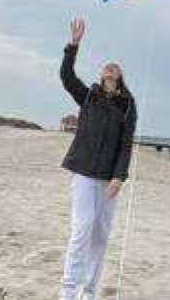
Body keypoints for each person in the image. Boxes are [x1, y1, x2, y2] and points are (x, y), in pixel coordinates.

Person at [58, 18, 137, 300]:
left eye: (115, 66)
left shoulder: (127, 105)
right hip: (84, 173)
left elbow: (126, 143)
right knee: (82, 229)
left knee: (100, 238)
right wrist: (73, 45)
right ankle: (68, 293)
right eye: (107, 65)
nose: (110, 66)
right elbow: (67, 77)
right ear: (102, 74)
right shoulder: (89, 95)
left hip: (109, 179)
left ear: (120, 76)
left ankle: (89, 293)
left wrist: (119, 176)